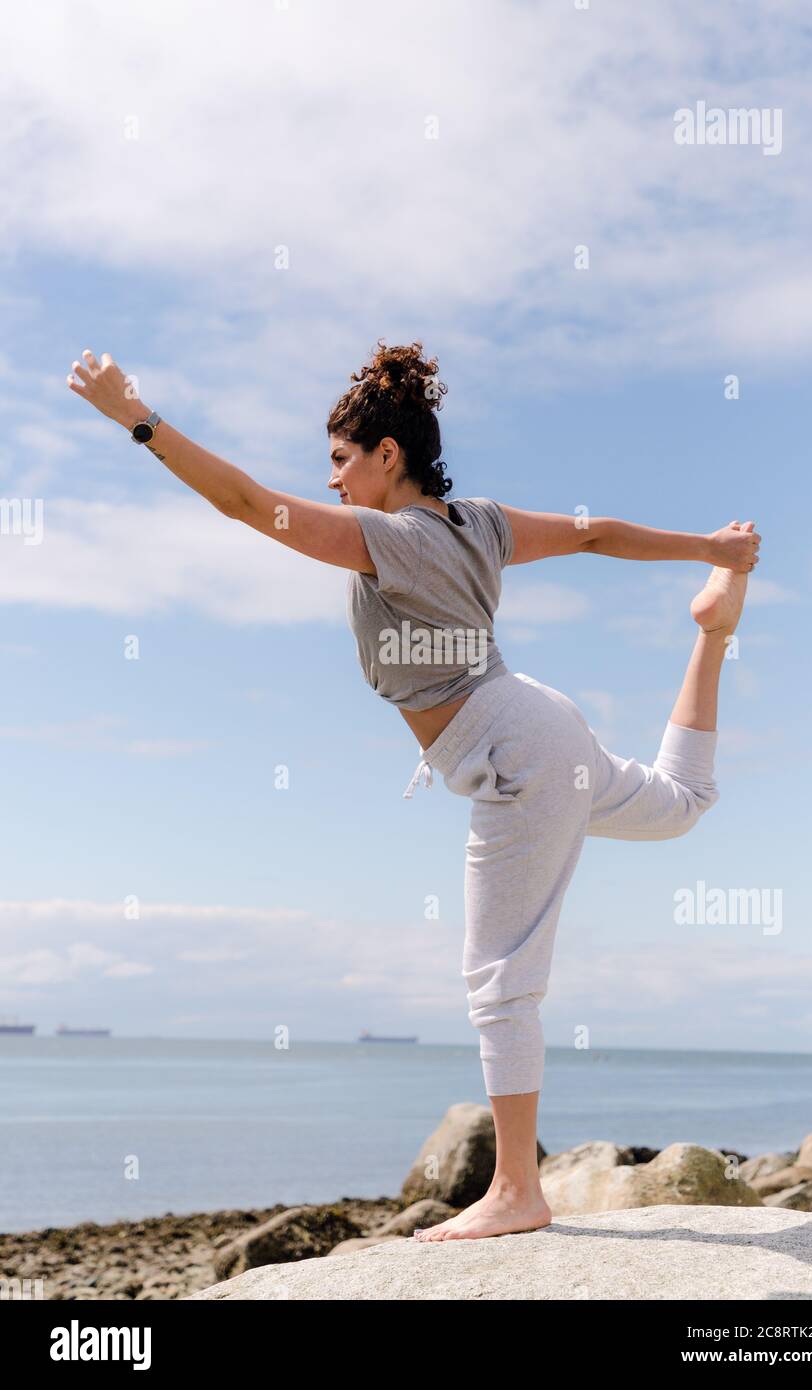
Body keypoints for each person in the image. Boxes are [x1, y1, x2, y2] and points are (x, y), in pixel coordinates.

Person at [67, 339, 761, 1243]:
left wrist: (138, 418)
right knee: (680, 805)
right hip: (539, 725)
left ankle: (517, 1190)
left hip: (516, 748)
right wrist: (710, 549)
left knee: (500, 980)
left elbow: (245, 504)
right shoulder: (482, 522)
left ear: (387, 455)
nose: (332, 484)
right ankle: (712, 632)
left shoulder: (385, 539)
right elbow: (594, 534)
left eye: (342, 462)